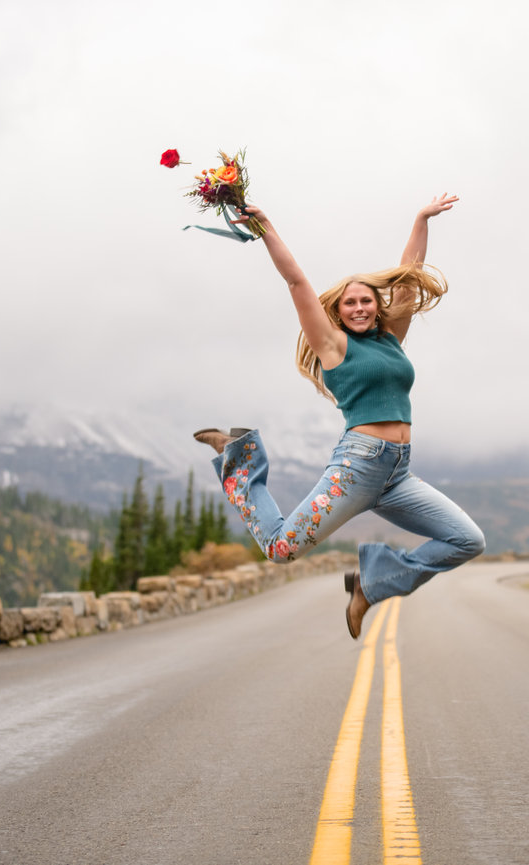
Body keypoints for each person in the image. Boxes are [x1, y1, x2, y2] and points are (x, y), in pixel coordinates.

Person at [193, 194, 485, 639]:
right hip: (357, 468)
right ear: (338, 311)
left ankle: (371, 583)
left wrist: (421, 219)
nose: (360, 308)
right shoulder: (333, 346)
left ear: (376, 304)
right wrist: (266, 227)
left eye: (367, 300)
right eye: (350, 303)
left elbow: (408, 276)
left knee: (467, 540)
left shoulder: (390, 340)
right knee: (280, 549)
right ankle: (238, 456)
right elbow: (295, 282)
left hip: (397, 474)